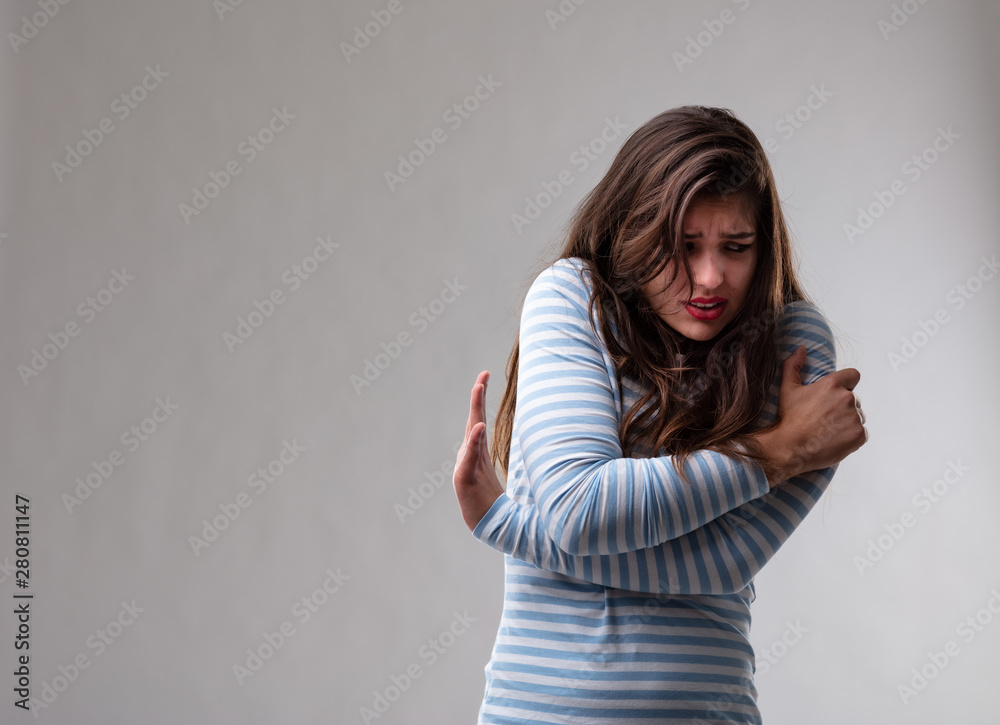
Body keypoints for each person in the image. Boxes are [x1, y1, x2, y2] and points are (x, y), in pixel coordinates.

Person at [452, 105, 868, 724]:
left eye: (736, 247)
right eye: (683, 247)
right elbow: (582, 512)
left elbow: (725, 561)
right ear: (636, 234)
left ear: (764, 247)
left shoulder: (792, 343)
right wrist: (777, 451)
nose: (710, 277)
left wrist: (513, 529)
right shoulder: (574, 299)